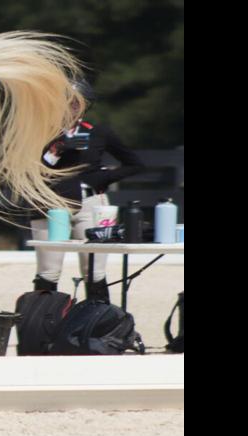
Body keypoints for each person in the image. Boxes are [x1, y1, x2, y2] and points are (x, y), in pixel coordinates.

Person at [30, 78, 149, 305]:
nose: (71, 108)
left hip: (90, 204)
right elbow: (30, 171)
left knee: (94, 270)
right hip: (51, 204)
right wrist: (55, 151)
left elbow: (135, 164)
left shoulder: (99, 133)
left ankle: (98, 326)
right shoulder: (39, 131)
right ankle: (42, 327)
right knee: (49, 270)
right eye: (67, 102)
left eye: (77, 103)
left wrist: (102, 177)